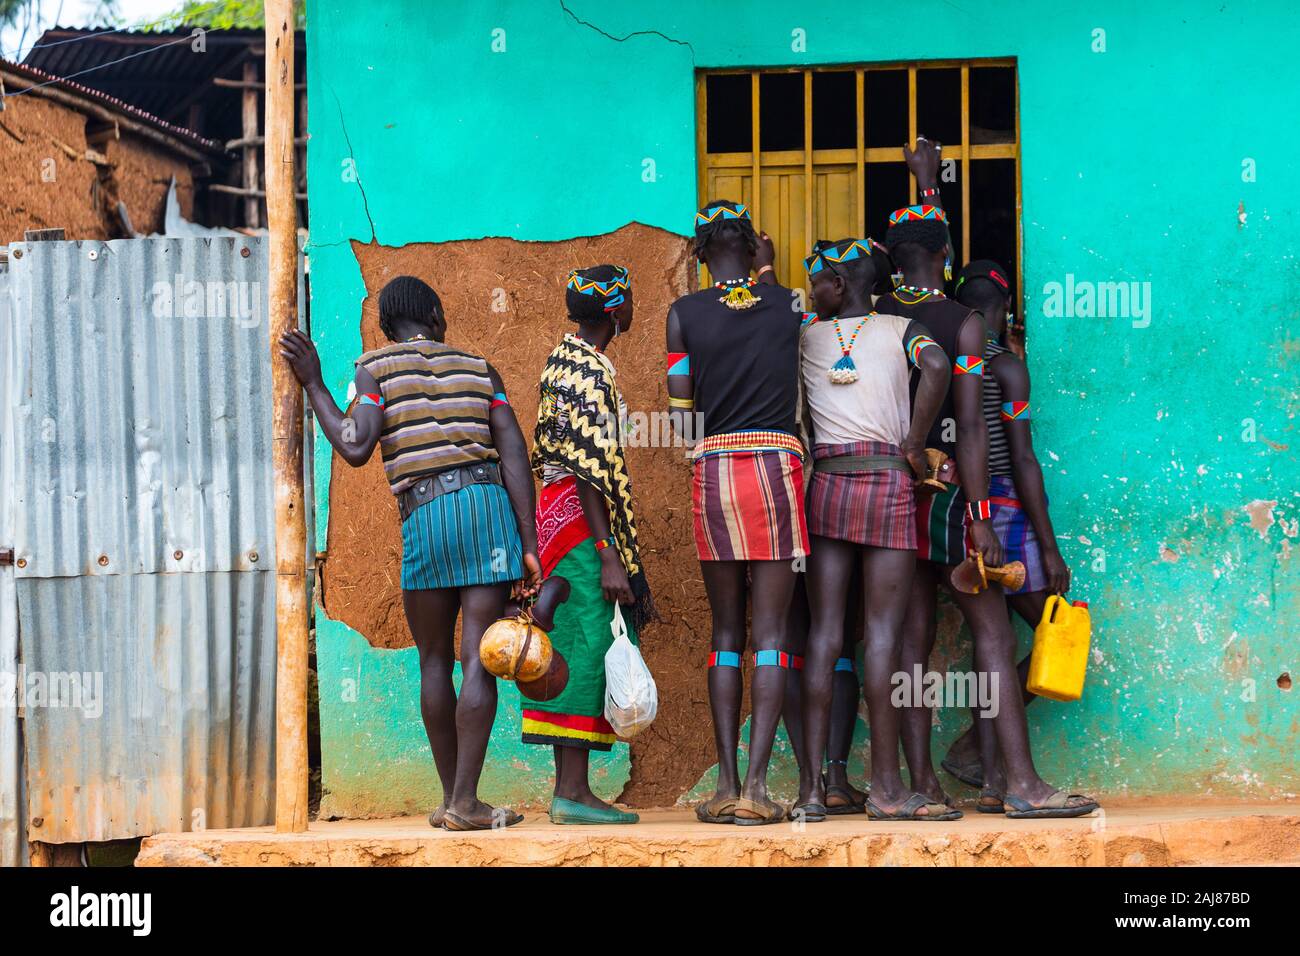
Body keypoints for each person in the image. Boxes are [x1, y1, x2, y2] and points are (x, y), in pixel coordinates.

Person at [278, 276, 542, 832]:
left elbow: (353, 444)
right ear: (438, 315)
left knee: (433, 663)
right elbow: (514, 452)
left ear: (387, 327)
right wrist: (529, 543)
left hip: (426, 515)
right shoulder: (480, 368)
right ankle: (465, 802)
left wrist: (314, 383)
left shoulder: (374, 370)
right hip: (488, 511)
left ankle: (456, 801)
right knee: (479, 659)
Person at [888, 139, 1097, 819]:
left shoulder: (873, 317)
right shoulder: (965, 329)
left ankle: (920, 786)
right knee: (995, 638)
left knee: (910, 641)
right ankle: (1019, 784)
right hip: (957, 500)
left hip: (893, 498)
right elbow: (977, 432)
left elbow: (926, 242)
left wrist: (924, 181)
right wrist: (978, 512)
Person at [794, 238, 954, 821]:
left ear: (839, 283)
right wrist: (915, 444)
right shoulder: (902, 327)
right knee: (883, 636)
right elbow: (938, 365)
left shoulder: (805, 336)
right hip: (888, 477)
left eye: (818, 281)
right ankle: (887, 790)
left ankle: (812, 792)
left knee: (824, 635)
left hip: (829, 481)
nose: (812, 291)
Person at [667, 200, 807, 825]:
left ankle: (723, 786)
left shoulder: (683, 314)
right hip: (778, 468)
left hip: (715, 468)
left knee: (727, 636)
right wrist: (767, 268)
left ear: (699, 254)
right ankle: (757, 788)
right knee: (772, 637)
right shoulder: (789, 305)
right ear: (752, 248)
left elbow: (679, 417)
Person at [940, 260, 1075, 808]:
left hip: (948, 507)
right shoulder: (1005, 368)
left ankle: (991, 772)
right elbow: (1022, 458)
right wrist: (1049, 545)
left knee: (990, 639)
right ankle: (981, 756)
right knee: (1054, 627)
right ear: (1005, 309)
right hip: (1000, 509)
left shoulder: (937, 358)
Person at [526, 264, 653, 825]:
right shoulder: (591, 370)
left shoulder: (565, 357)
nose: (632, 310)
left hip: (554, 512)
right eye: (628, 301)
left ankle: (569, 789)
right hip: (580, 520)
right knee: (588, 640)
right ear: (614, 310)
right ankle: (572, 793)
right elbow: (587, 468)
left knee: (572, 638)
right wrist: (607, 552)